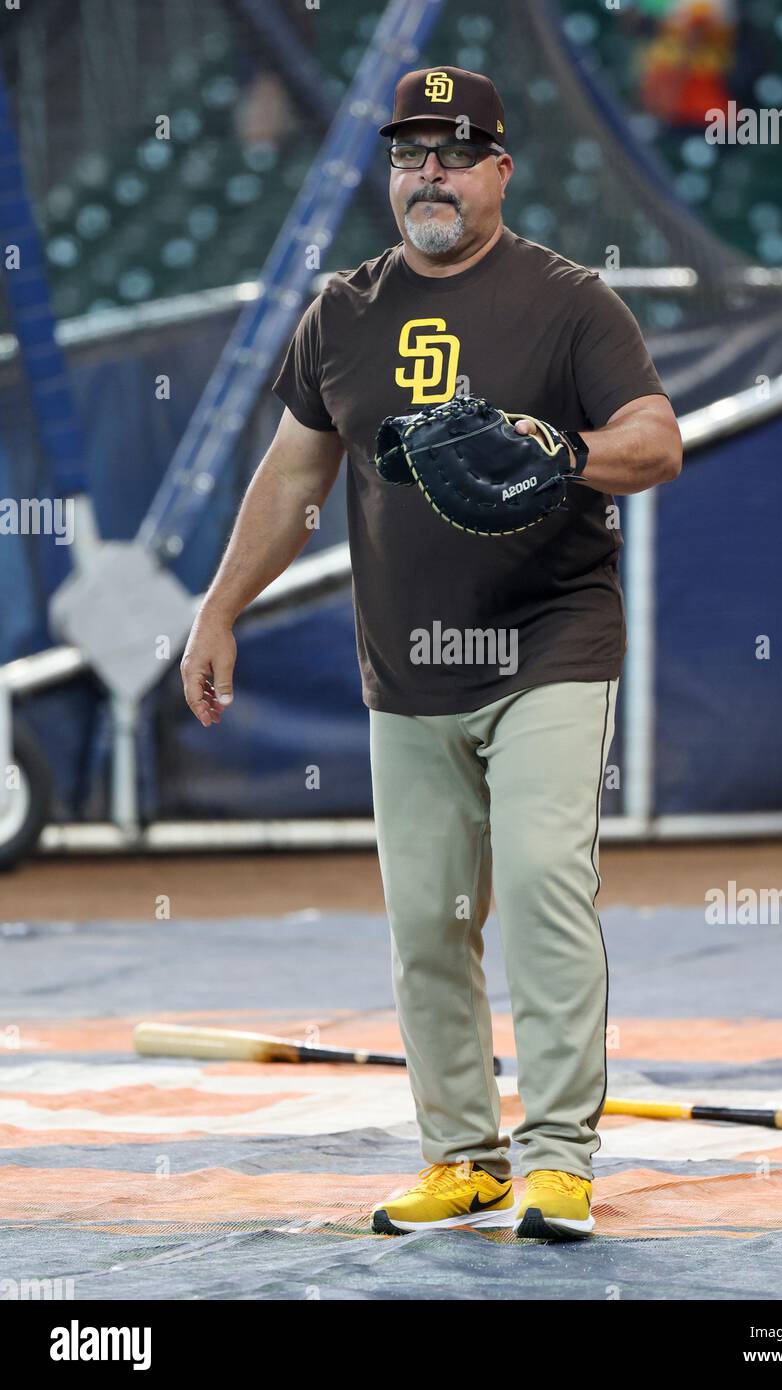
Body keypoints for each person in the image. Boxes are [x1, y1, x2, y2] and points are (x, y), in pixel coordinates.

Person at [181, 65, 682, 1241]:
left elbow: (655, 441)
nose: (429, 175)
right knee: (426, 922)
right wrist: (217, 607)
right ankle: (465, 1153)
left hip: (550, 642)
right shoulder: (342, 313)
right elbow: (295, 475)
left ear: (501, 169)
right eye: (410, 155)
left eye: (454, 154)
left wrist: (561, 449)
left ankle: (557, 1156)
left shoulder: (569, 303)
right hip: (404, 667)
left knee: (547, 889)